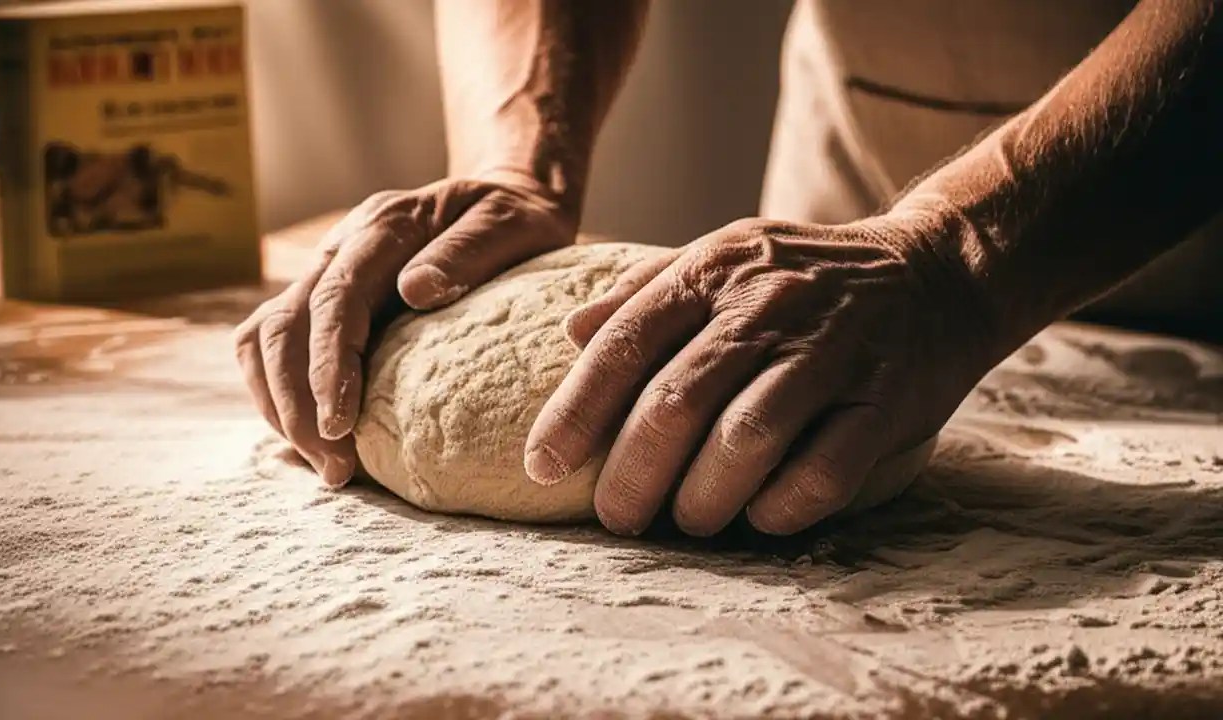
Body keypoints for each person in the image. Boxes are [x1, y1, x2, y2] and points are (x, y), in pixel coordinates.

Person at [235, 0, 1223, 538]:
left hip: (1179, 190)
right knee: (768, 408)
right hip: (865, 177)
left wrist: (955, 258)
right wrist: (514, 161)